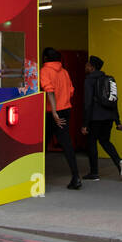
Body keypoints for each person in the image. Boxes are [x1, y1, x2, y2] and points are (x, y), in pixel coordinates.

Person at [40, 47, 81, 190]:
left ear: (45, 58)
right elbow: (71, 91)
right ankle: (76, 176)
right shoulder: (64, 72)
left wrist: (55, 111)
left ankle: (38, 179)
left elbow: (49, 90)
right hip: (66, 109)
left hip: (52, 112)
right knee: (66, 143)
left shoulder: (45, 71)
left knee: (42, 144)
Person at [82, 55, 122, 181]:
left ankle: (94, 173)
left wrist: (85, 123)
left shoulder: (89, 80)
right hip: (109, 117)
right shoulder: (108, 79)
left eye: (87, 64)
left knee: (91, 143)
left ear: (91, 67)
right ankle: (119, 162)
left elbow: (88, 103)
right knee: (105, 141)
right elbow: (114, 101)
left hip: (95, 118)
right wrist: (118, 121)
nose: (85, 66)